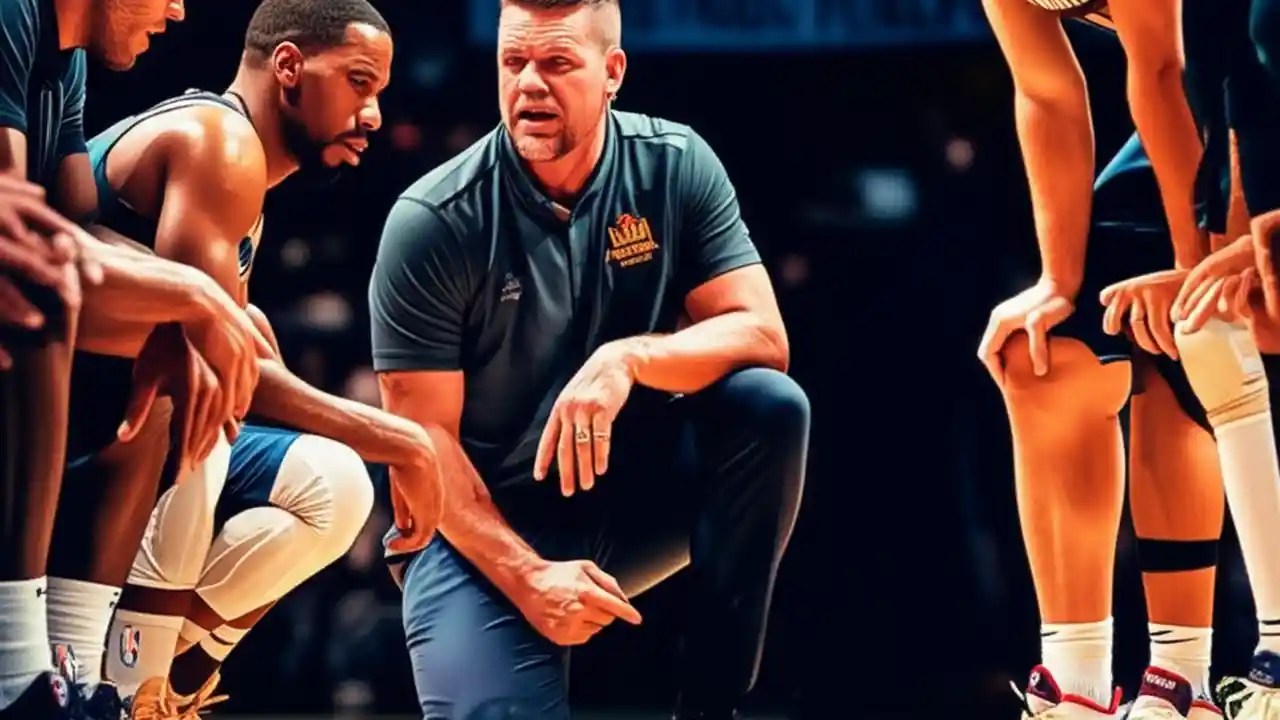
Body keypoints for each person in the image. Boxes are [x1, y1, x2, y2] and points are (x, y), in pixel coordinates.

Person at [370, 1, 808, 718]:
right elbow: (422, 449)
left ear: (613, 73)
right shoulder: (434, 220)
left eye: (558, 63)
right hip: (475, 526)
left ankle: (712, 705)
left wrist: (628, 360)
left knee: (770, 408)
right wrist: (530, 576)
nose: (530, 84)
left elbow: (763, 335)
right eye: (514, 63)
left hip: (624, 487)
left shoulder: (673, 164)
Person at [55, 2, 442, 716]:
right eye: (360, 82)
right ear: (289, 67)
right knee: (208, 403)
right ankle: (113, 683)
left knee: (335, 485)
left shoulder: (242, 171)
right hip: (63, 446)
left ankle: (157, 674)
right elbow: (206, 357)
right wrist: (406, 442)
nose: (376, 115)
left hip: (115, 446)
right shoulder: (220, 144)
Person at [0, 2, 274, 718]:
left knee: (163, 350)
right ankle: (15, 668)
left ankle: (81, 671)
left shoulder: (69, 64)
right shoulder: (12, 15)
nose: (179, 9)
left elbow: (75, 225)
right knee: (47, 289)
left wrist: (192, 308)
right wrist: (197, 297)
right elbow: (25, 236)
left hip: (44, 324)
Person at [976, 1, 1225, 717]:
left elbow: (1161, 66)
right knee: (1045, 353)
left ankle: (1184, 680)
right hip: (1202, 89)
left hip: (1252, 83)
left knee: (1184, 327)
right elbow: (1046, 90)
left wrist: (1191, 266)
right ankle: (1075, 686)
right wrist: (1058, 281)